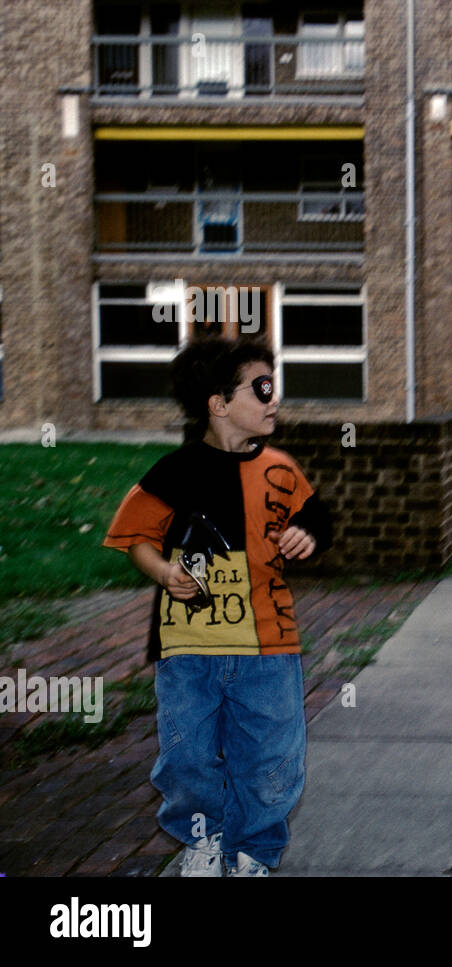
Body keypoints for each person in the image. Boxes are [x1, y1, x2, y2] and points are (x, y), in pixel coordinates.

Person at [103, 337, 332, 876]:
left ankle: (254, 851)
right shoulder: (174, 472)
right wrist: (163, 572)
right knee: (187, 755)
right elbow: (134, 535)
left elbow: (318, 517)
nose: (274, 399)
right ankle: (203, 839)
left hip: (269, 643)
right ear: (218, 403)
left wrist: (307, 533)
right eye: (262, 388)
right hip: (188, 648)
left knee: (272, 755)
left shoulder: (281, 469)